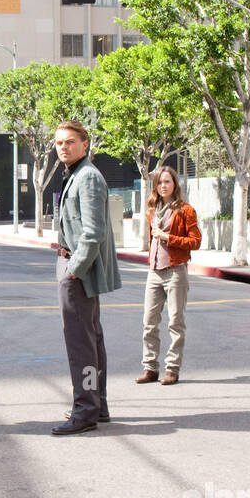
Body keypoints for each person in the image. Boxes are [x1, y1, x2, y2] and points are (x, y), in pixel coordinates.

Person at [52, 120, 121, 435]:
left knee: (82, 343)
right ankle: (97, 403)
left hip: (78, 272)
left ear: (85, 144)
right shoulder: (76, 175)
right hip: (73, 264)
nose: (63, 147)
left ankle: (85, 411)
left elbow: (94, 233)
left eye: (69, 142)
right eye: (58, 143)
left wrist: (73, 271)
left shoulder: (88, 177)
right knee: (91, 339)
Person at [137, 165, 201, 386]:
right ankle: (150, 367)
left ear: (175, 185)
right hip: (154, 271)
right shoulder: (152, 210)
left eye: (167, 182)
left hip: (175, 270)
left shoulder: (185, 210)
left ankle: (172, 369)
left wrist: (168, 237)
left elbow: (195, 241)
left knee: (175, 322)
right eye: (160, 182)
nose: (163, 186)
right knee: (149, 322)